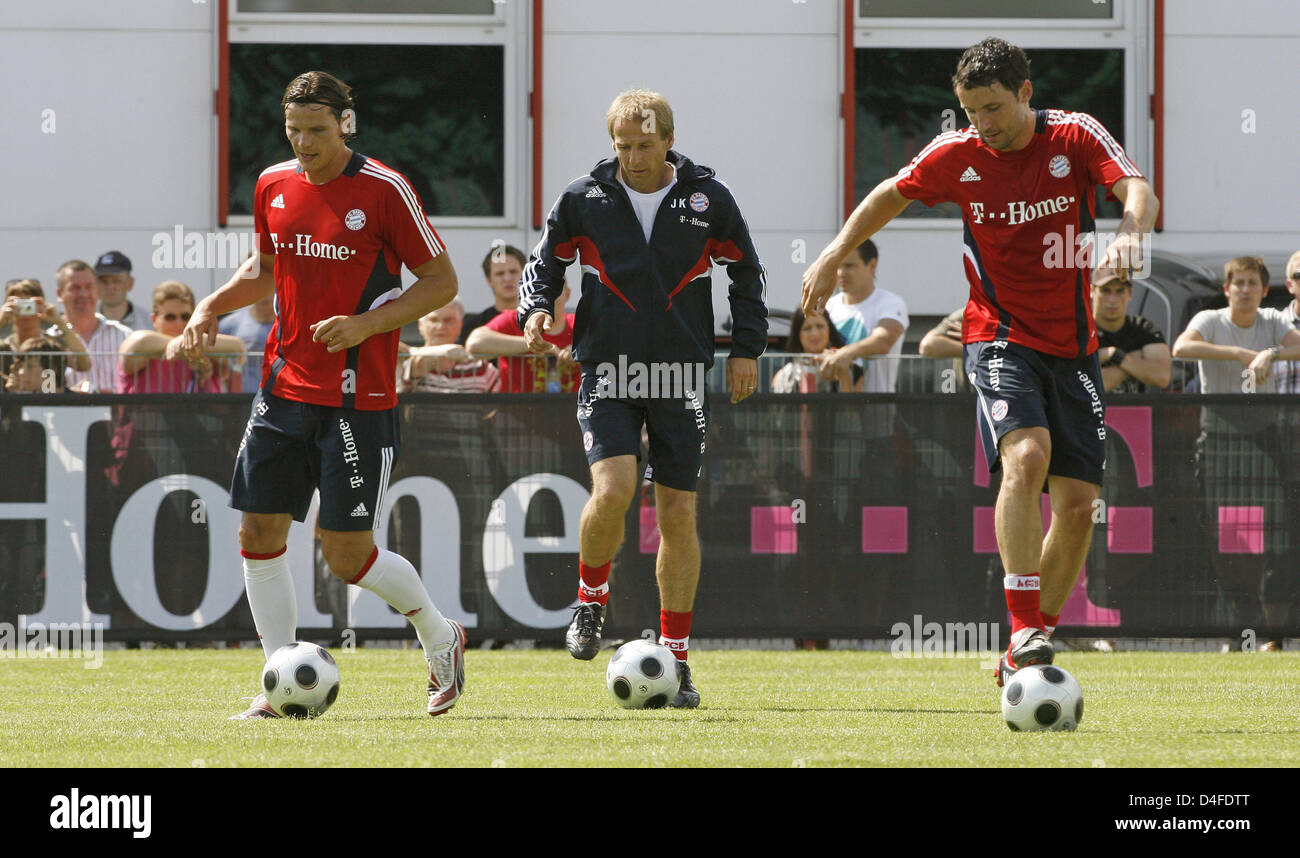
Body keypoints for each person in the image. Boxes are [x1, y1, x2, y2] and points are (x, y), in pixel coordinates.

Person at [801, 38, 1159, 687]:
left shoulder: (1075, 136)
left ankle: (1027, 644)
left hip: (1073, 346)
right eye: (971, 112)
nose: (983, 125)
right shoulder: (957, 153)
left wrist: (1131, 234)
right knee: (1026, 456)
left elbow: (1137, 188)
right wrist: (833, 253)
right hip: (997, 334)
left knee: (1079, 508)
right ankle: (1024, 625)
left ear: (1025, 93)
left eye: (994, 108)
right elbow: (890, 192)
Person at [179, 70, 465, 719]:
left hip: (358, 399)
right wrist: (209, 309)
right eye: (294, 130)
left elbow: (441, 281)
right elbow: (266, 267)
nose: (304, 144)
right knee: (257, 532)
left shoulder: (385, 189)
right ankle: (281, 681)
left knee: (347, 555)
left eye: (317, 130)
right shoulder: (273, 185)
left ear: (346, 125)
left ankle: (441, 636)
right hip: (283, 387)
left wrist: (366, 325)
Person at [519, 88, 767, 708]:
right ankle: (591, 601)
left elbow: (747, 272)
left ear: (668, 140)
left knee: (678, 511)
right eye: (623, 146)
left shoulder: (711, 199)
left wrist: (746, 349)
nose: (633, 157)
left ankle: (677, 659)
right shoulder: (584, 197)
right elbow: (545, 261)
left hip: (681, 371)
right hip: (608, 365)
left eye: (645, 145)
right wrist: (537, 309)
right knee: (614, 489)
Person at [1172, 257, 1300, 638]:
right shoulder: (1210, 320)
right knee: (1227, 538)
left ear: (1264, 290)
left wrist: (1270, 353)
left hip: (1265, 436)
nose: (1245, 290)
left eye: (1252, 283)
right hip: (1219, 436)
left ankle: (1271, 636)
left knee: (1276, 534)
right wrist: (1239, 354)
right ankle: (1240, 627)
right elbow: (1181, 347)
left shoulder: (1274, 322)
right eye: (1238, 283)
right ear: (1227, 289)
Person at [119, 281, 246, 393]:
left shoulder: (203, 345)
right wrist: (188, 345)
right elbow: (139, 343)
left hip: (204, 417)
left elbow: (239, 349)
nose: (179, 323)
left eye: (185, 317)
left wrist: (184, 343)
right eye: (170, 317)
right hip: (149, 418)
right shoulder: (144, 348)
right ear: (154, 319)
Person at [819, 239, 909, 392]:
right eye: (837, 266)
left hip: (877, 410)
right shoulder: (829, 306)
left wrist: (845, 353)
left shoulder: (891, 303)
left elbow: (883, 341)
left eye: (849, 266)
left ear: (872, 265)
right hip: (832, 408)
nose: (841, 273)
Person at [467, 284, 578, 393]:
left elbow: (595, 345)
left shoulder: (580, 324)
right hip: (516, 409)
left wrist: (580, 350)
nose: (547, 300)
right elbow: (475, 343)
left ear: (567, 294)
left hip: (572, 409)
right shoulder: (513, 320)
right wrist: (533, 343)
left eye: (554, 291)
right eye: (539, 293)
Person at [1091, 265, 1171, 393]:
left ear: (1130, 293)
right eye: (1105, 291)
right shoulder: (1081, 331)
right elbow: (1090, 387)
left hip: (1135, 412)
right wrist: (1134, 362)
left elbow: (1161, 376)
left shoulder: (1144, 329)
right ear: (1092, 291)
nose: (1112, 300)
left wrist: (1117, 356)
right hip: (1092, 412)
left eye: (1120, 291)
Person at [56, 260, 133, 393]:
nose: (84, 294)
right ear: (59, 294)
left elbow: (137, 383)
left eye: (89, 287)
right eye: (75, 288)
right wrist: (68, 393)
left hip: (116, 413)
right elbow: (45, 389)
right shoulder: (49, 340)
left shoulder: (124, 336)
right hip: (66, 413)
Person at [398, 298, 500, 393]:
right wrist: (444, 352)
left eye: (448, 320)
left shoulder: (484, 369)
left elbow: (497, 408)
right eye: (433, 320)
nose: (441, 326)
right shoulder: (406, 363)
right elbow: (416, 366)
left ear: (460, 325)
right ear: (420, 325)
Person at [0, 278, 91, 380]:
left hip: (48, 394)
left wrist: (60, 322)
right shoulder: (4, 347)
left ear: (41, 305)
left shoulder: (53, 345)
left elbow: (84, 364)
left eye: (30, 305)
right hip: (9, 396)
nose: (25, 311)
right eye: (20, 305)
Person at [771, 308, 862, 393]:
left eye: (820, 326)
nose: (814, 333)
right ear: (798, 335)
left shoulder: (853, 371)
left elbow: (850, 408)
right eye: (807, 328)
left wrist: (843, 373)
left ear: (829, 329)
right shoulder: (783, 376)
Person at [458, 244, 527, 346]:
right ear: (489, 280)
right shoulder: (473, 327)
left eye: (513, 272)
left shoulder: (541, 322)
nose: (507, 278)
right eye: (500, 273)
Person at [219, 290, 276, 392]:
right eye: (258, 282)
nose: (265, 292)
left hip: (281, 402)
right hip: (239, 404)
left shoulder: (293, 325)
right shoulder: (227, 325)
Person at [94, 251, 151, 331]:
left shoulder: (149, 323)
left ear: (130, 283)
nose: (110, 287)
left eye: (116, 281)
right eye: (104, 281)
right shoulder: (85, 320)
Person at [1271, 250, 1300, 393]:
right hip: (1279, 415)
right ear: (1290, 285)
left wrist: (1272, 355)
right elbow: (1248, 376)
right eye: (1299, 275)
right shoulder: (1269, 325)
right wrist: (1249, 403)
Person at [4, 337, 69, 393]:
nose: (21, 373)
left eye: (30, 366)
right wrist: (14, 397)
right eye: (21, 366)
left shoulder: (77, 403)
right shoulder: (25, 399)